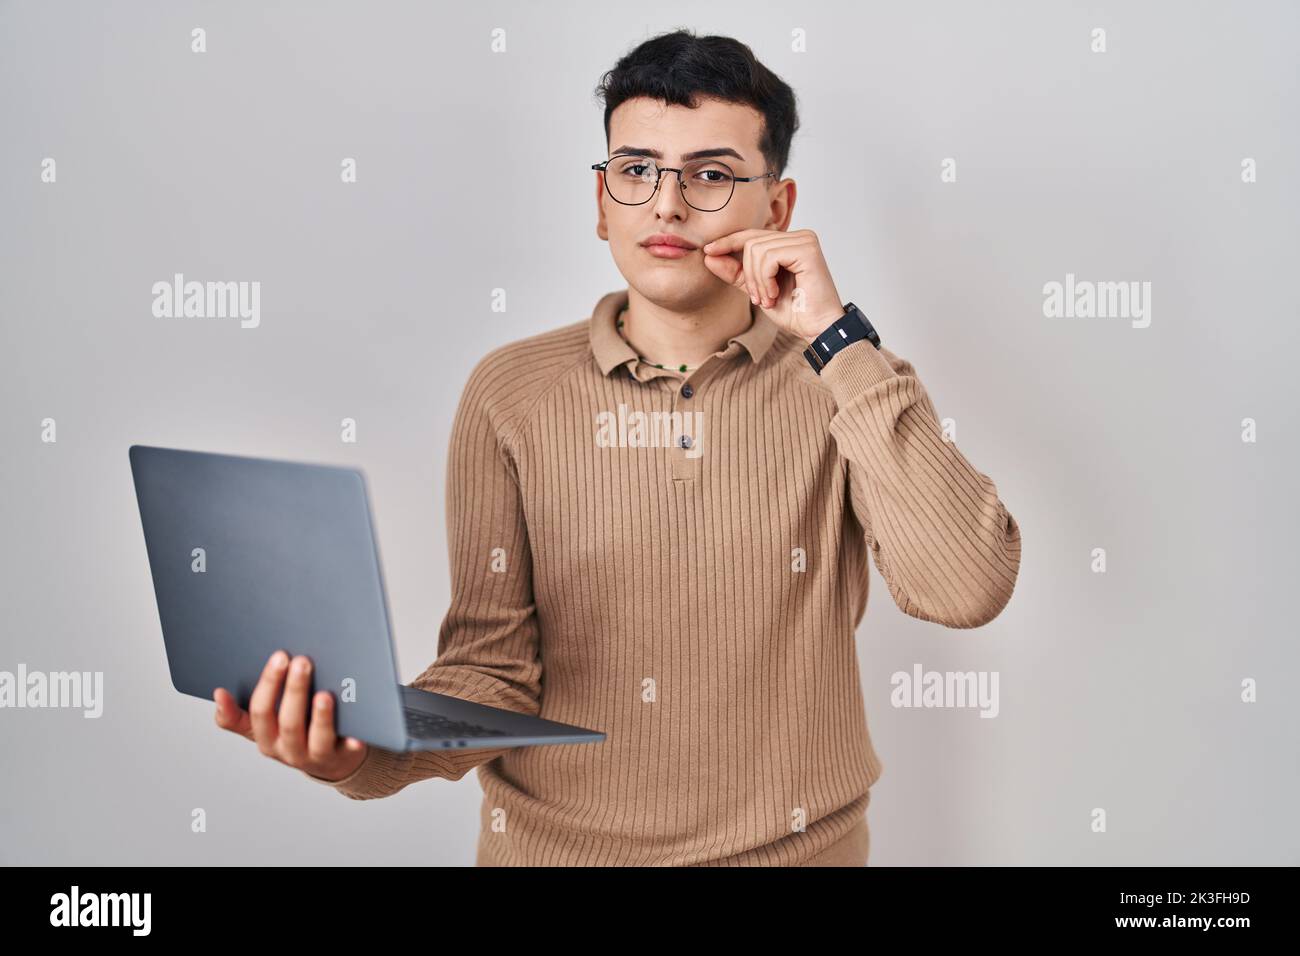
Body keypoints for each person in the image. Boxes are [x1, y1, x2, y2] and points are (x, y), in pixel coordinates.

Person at [214, 28, 1021, 866]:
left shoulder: (850, 379)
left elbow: (964, 589)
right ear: (603, 204)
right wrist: (360, 753)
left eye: (710, 175)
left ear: (777, 211)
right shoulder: (510, 391)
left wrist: (834, 337)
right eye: (636, 171)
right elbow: (490, 673)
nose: (666, 205)